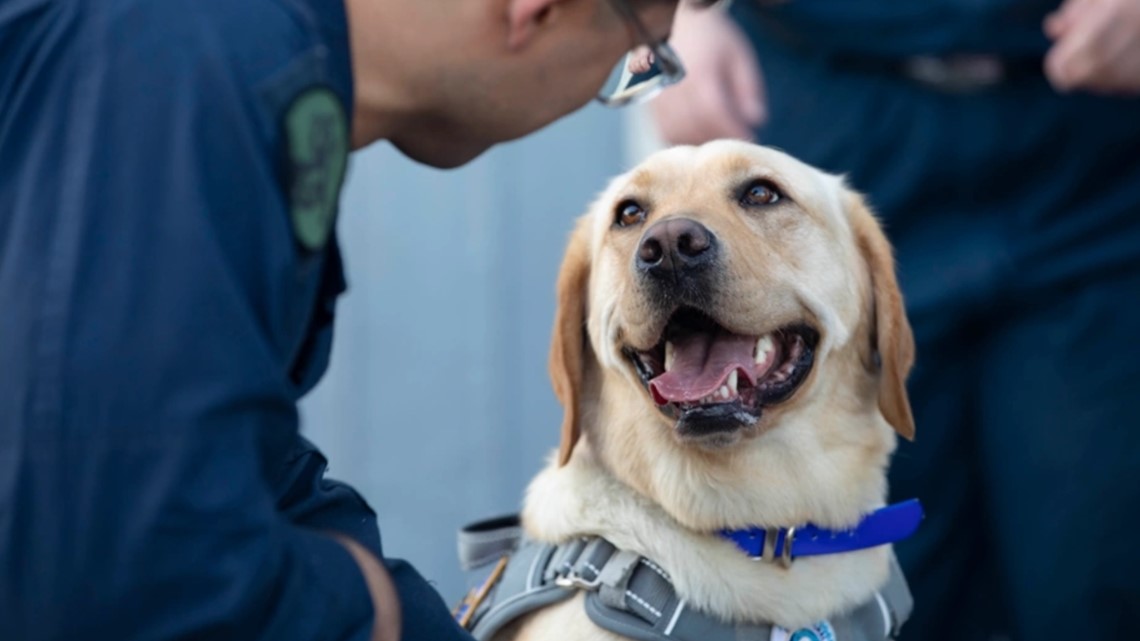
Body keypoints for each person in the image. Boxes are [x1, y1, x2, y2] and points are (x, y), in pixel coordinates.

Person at [0, 0, 716, 639]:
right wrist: (365, 602)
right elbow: (120, 566)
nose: (602, 92)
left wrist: (399, 615)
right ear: (536, 10)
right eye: (634, 54)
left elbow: (245, 470)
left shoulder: (249, 68)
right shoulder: (179, 63)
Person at [648, 1, 1140, 640]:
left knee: (1096, 586)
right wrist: (668, 23)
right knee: (868, 600)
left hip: (1089, 150)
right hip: (830, 140)